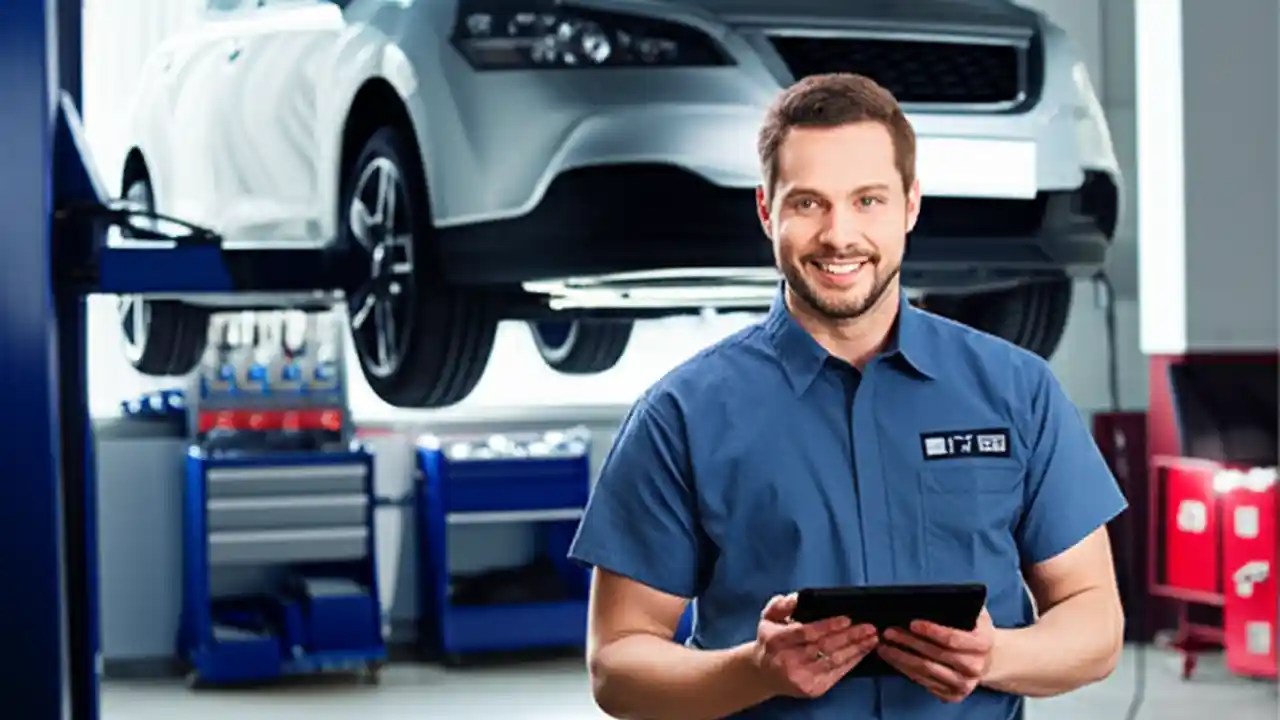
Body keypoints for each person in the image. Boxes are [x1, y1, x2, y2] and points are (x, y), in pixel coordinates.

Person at [567, 72, 1128, 720]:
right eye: (808, 203)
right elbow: (618, 664)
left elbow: (1093, 622)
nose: (839, 235)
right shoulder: (681, 415)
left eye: (868, 200)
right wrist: (754, 670)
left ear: (911, 204)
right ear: (765, 209)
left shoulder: (1017, 391)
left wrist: (993, 655)